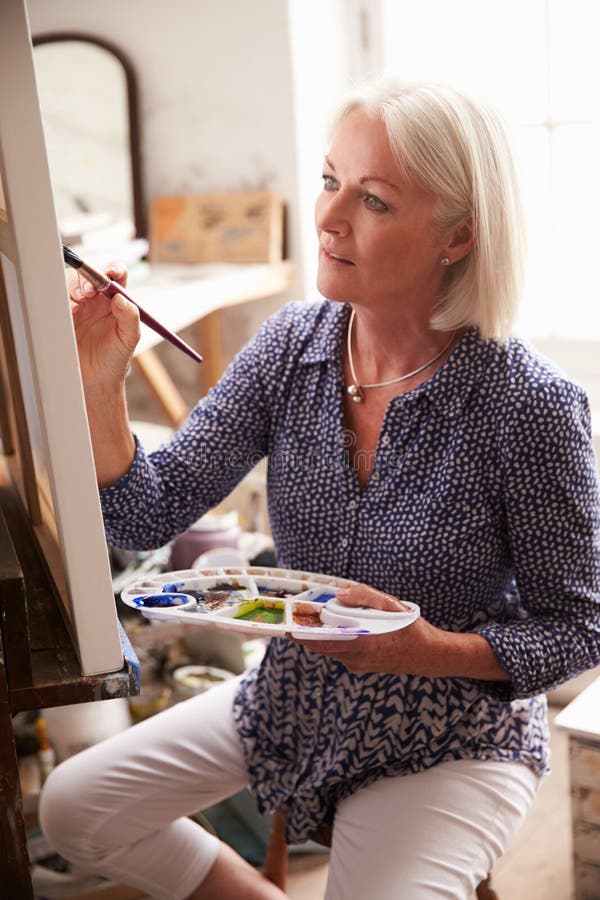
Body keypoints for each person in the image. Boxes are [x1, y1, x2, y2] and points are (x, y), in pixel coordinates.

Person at [40, 77, 600, 900]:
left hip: (453, 735)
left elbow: (581, 629)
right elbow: (146, 511)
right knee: (73, 808)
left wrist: (423, 649)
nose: (329, 218)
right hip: (293, 697)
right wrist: (100, 384)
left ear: (458, 236)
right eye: (331, 180)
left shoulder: (530, 405)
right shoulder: (290, 348)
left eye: (373, 200)